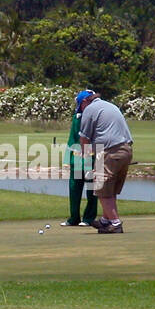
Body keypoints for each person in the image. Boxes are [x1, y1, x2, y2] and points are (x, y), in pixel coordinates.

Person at [76, 90, 132, 234]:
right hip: (126, 150)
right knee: (109, 188)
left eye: (80, 107)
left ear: (84, 102)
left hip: (109, 151)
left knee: (101, 187)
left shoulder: (89, 109)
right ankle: (105, 221)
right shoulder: (109, 105)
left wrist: (87, 160)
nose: (81, 110)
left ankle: (115, 222)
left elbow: (84, 138)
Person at [60, 90, 99, 227]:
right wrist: (67, 160)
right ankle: (74, 218)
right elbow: (72, 140)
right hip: (77, 158)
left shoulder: (97, 115)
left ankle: (88, 218)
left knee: (92, 189)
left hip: (93, 157)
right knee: (74, 189)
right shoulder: (76, 117)